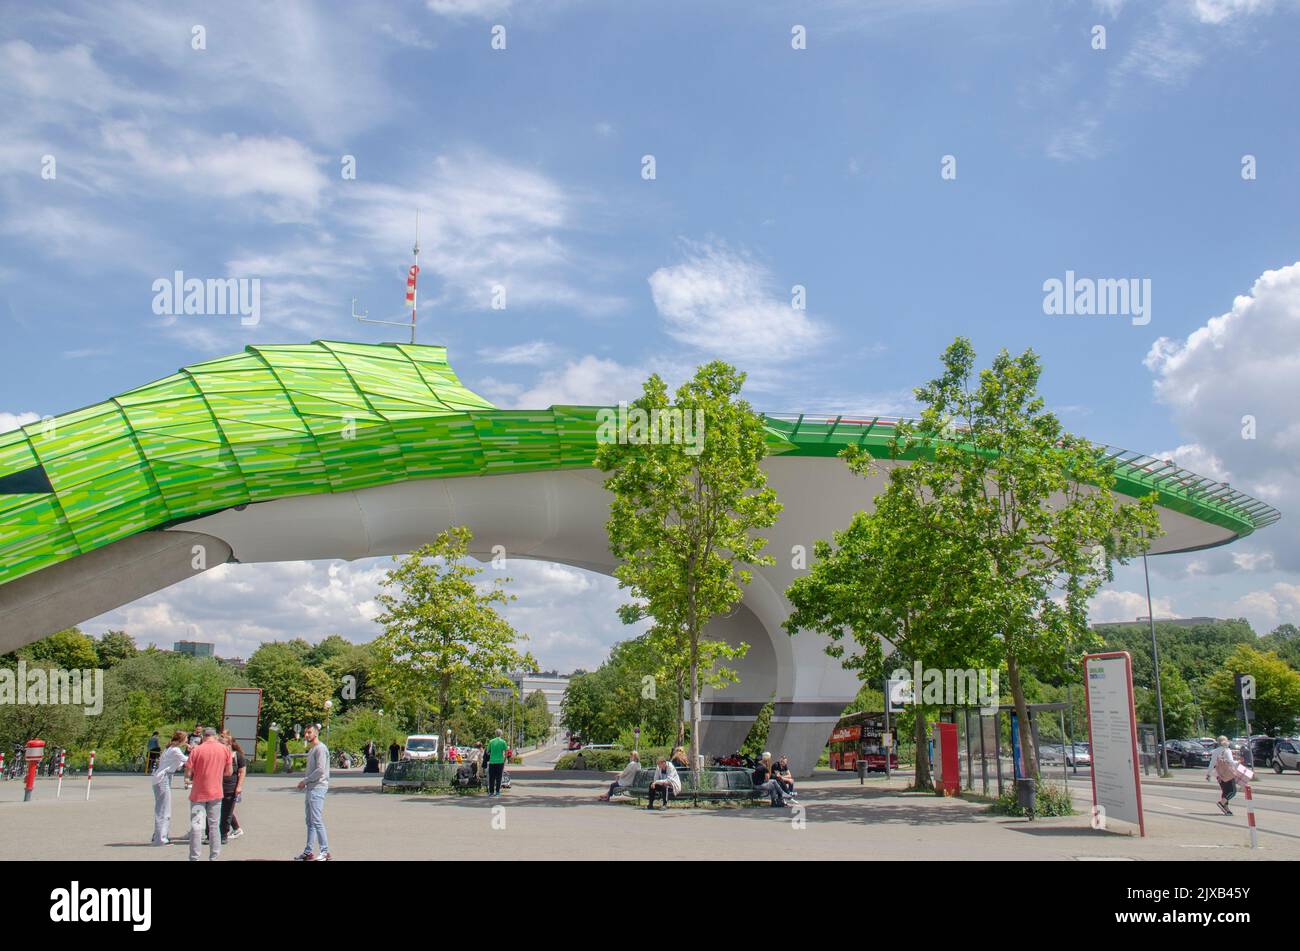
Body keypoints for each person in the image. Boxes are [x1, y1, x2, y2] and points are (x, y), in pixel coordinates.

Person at [184, 728, 232, 861]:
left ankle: (194, 857)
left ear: (204, 736)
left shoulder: (197, 750)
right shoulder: (224, 749)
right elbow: (229, 772)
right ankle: (214, 857)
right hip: (216, 793)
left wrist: (188, 779)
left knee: (196, 827)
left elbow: (188, 770)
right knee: (214, 826)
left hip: (198, 794)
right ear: (215, 736)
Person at [295, 724, 331, 861]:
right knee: (310, 821)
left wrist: (305, 780)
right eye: (306, 732)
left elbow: (321, 770)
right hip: (311, 788)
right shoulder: (313, 749)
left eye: (309, 732)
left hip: (318, 787)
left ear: (315, 733)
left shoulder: (320, 749)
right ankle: (308, 852)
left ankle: (325, 851)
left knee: (316, 820)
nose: (307, 735)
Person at [151, 730, 189, 845]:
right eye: (186, 738)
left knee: (162, 808)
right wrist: (195, 752)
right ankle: (161, 839)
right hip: (163, 779)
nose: (187, 740)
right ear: (182, 739)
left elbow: (180, 765)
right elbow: (188, 760)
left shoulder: (170, 748)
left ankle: (158, 835)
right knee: (164, 809)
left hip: (161, 778)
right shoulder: (175, 750)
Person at [218, 731, 247, 844]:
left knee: (227, 811)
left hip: (231, 787)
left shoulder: (237, 756)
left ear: (229, 745)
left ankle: (224, 834)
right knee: (221, 810)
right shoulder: (218, 755)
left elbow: (242, 771)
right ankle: (236, 829)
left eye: (223, 744)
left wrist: (239, 787)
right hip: (217, 787)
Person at [1206, 735, 1239, 815]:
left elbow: (1212, 764)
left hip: (1219, 775)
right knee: (1232, 791)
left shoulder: (1215, 751)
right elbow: (1231, 762)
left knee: (1225, 791)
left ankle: (1226, 809)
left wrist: (1208, 774)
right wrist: (1238, 762)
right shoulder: (1227, 750)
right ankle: (1221, 803)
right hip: (1228, 774)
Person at [485, 729, 508, 798]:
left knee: (491, 778)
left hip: (492, 761)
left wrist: (491, 754)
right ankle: (497, 792)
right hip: (500, 761)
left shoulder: (491, 741)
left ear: (495, 734)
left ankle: (491, 792)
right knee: (499, 777)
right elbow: (506, 752)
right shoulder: (503, 742)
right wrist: (504, 759)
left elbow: (487, 752)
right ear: (501, 734)